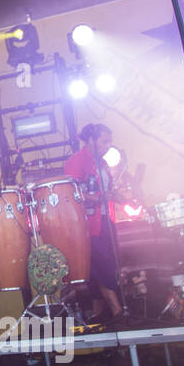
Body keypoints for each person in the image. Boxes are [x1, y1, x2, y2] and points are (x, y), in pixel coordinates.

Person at [63, 124, 126, 323]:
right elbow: (70, 193)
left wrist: (118, 196)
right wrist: (98, 198)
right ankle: (117, 311)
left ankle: (99, 317)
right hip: (89, 225)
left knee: (108, 266)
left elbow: (106, 191)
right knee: (103, 266)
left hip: (106, 219)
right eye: (104, 141)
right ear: (90, 140)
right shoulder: (77, 161)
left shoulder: (103, 163)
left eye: (110, 141)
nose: (108, 146)